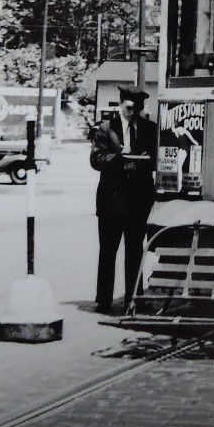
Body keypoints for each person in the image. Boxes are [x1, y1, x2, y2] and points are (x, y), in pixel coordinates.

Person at [89, 87, 157, 314]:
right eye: (129, 107)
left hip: (138, 200)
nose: (133, 112)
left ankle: (135, 297)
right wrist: (120, 160)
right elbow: (96, 159)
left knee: (135, 251)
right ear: (120, 105)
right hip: (112, 199)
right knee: (108, 251)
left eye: (137, 108)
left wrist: (142, 162)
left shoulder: (150, 129)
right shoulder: (105, 129)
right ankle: (104, 300)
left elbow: (157, 158)